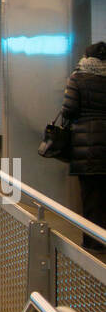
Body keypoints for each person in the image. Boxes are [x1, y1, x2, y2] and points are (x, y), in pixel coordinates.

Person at [58, 41, 106, 252]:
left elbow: (68, 110)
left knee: (90, 196)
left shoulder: (77, 78)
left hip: (86, 146)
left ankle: (93, 242)